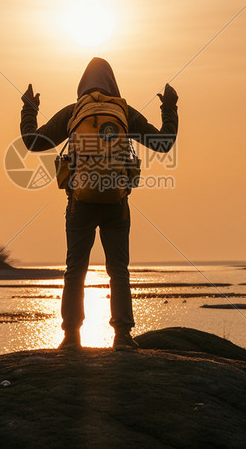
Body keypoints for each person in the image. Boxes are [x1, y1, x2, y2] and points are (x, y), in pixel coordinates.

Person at [20, 57, 179, 350]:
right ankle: (123, 336)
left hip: (79, 203)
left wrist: (29, 108)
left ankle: (70, 337)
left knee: (75, 269)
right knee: (118, 270)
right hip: (116, 202)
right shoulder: (123, 112)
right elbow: (163, 143)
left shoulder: (74, 112)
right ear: (112, 83)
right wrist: (169, 107)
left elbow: (33, 141)